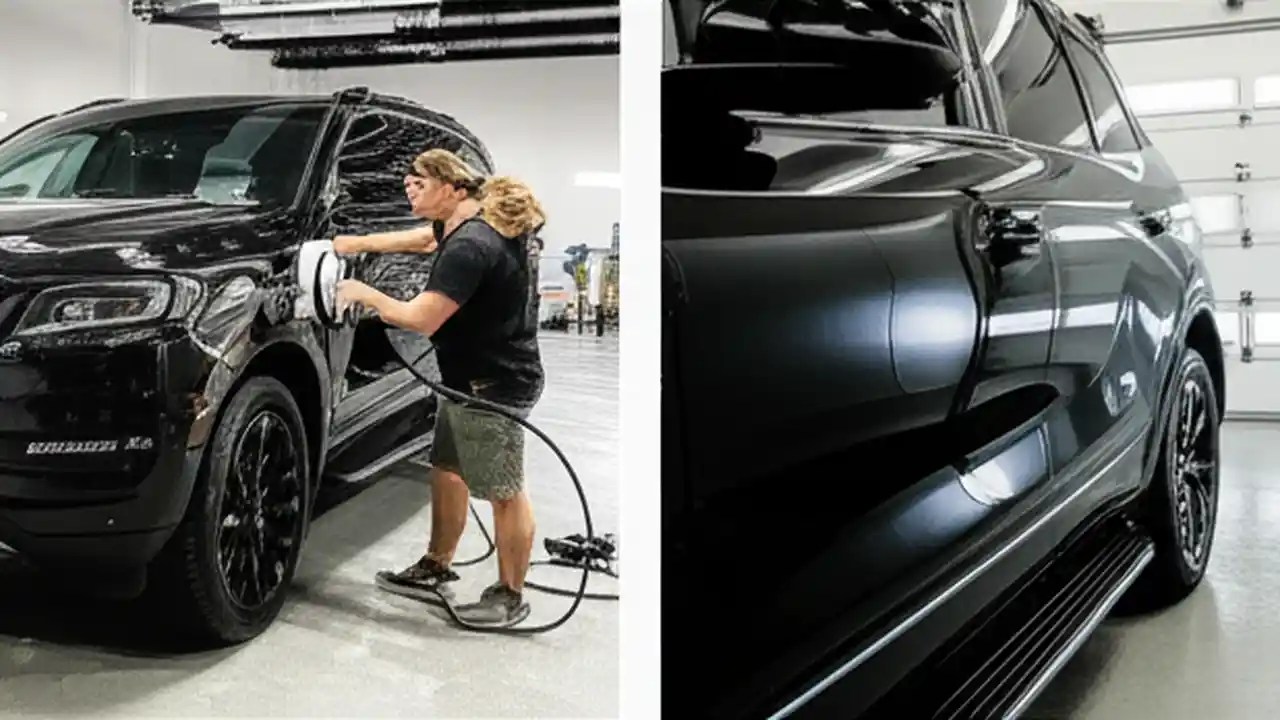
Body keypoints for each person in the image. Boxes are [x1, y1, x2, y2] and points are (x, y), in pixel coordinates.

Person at [332, 148, 546, 628]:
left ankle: (510, 595)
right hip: (465, 379)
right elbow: (422, 242)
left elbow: (421, 318)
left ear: (452, 188)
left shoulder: (472, 247)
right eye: (408, 183)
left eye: (420, 184)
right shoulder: (462, 225)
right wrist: (355, 243)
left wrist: (363, 294)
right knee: (447, 470)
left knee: (503, 490)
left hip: (492, 385)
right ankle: (437, 564)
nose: (410, 190)